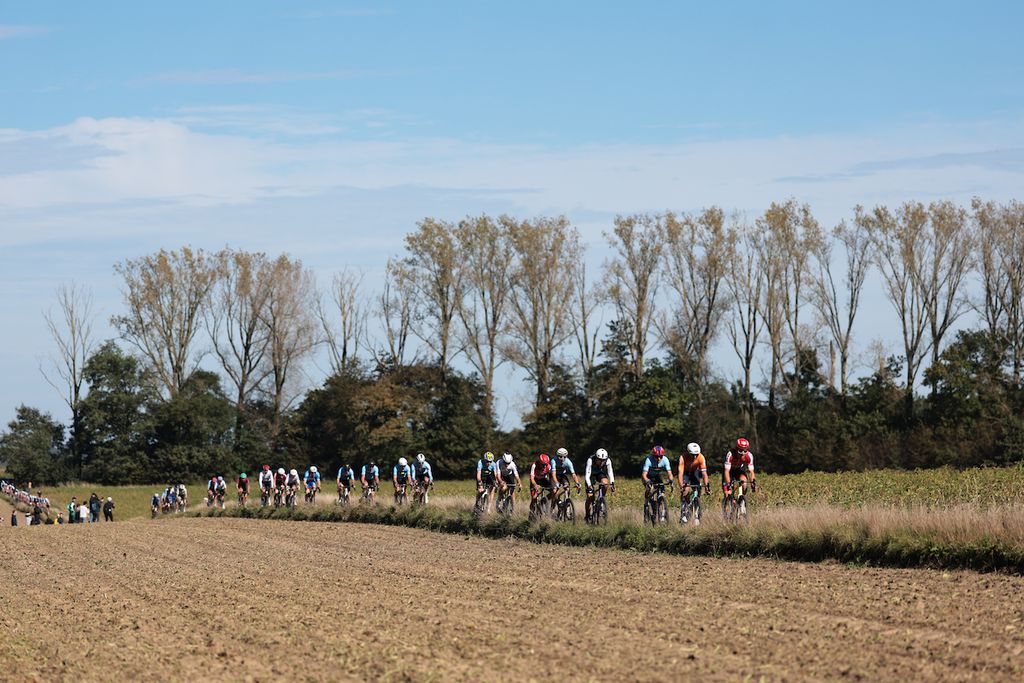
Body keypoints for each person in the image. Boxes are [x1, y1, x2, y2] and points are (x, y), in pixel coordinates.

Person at [584, 448, 615, 523]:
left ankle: (601, 500)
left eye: (603, 460)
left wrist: (612, 483)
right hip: (590, 475)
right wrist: (589, 485)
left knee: (605, 483)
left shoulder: (608, 460)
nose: (602, 462)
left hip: (599, 474)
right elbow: (587, 475)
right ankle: (587, 515)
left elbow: (610, 472)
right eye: (600, 460)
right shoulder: (590, 460)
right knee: (590, 497)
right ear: (596, 458)